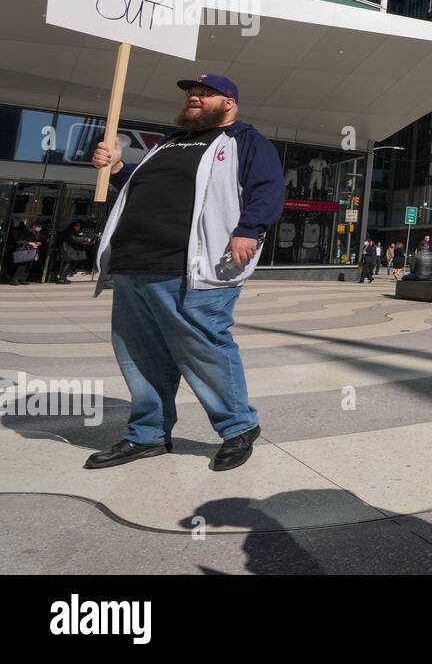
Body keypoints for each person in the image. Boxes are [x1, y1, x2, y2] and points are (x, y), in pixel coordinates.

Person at [85, 73, 284, 471]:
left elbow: (268, 187)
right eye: (191, 94)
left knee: (204, 349)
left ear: (229, 102)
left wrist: (249, 229)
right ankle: (148, 434)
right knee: (140, 356)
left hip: (194, 266)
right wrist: (119, 166)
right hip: (134, 263)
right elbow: (138, 188)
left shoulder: (245, 140)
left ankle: (238, 427)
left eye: (204, 93)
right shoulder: (168, 143)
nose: (194, 98)